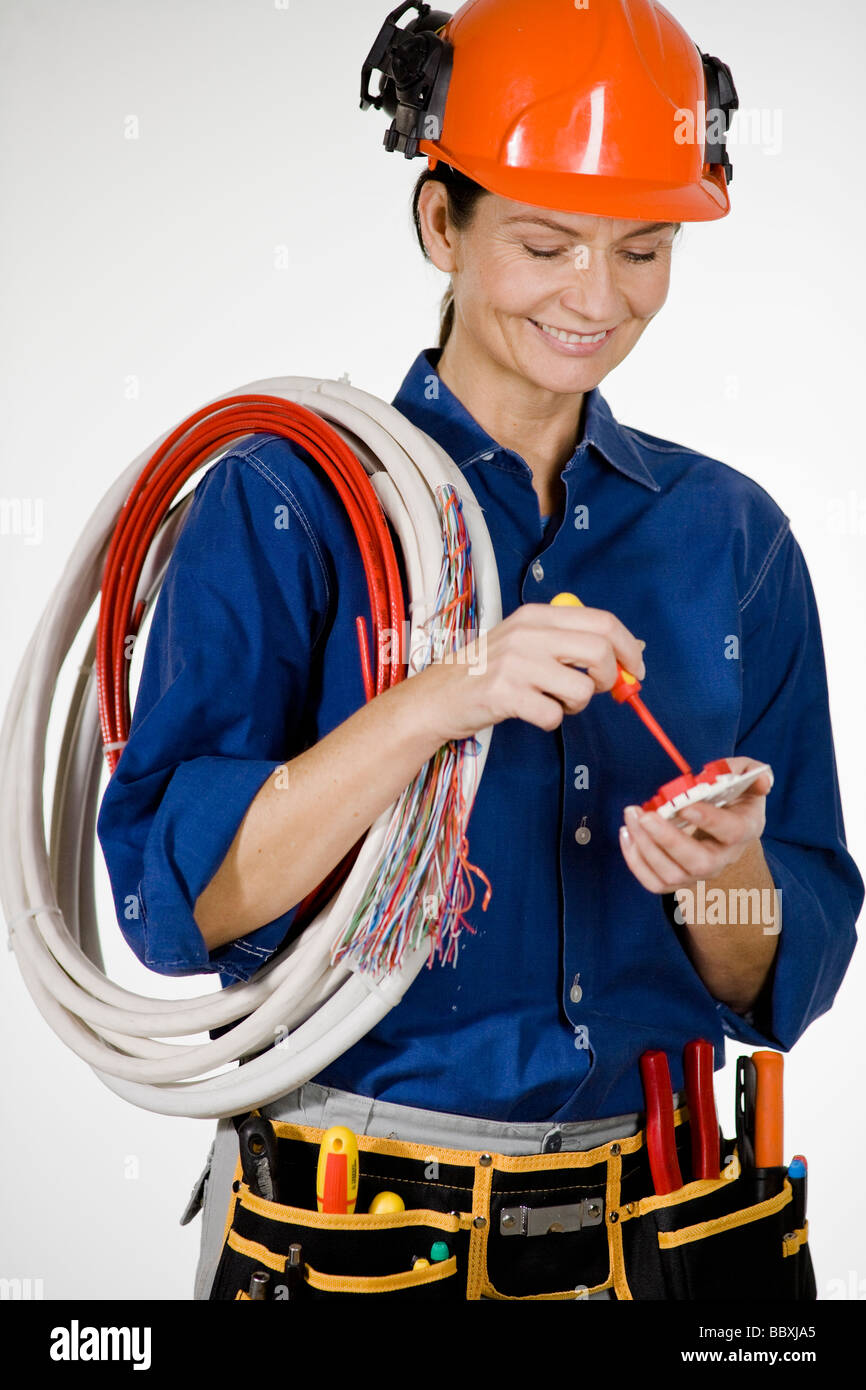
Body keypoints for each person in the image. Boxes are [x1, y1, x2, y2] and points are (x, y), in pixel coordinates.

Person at [96, 0, 862, 1301]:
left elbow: (771, 976)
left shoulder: (729, 538)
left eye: (643, 249)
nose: (595, 297)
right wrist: (442, 696)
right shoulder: (289, 503)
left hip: (672, 1242)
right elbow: (184, 908)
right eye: (546, 241)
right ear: (439, 224)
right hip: (364, 1243)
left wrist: (721, 878)